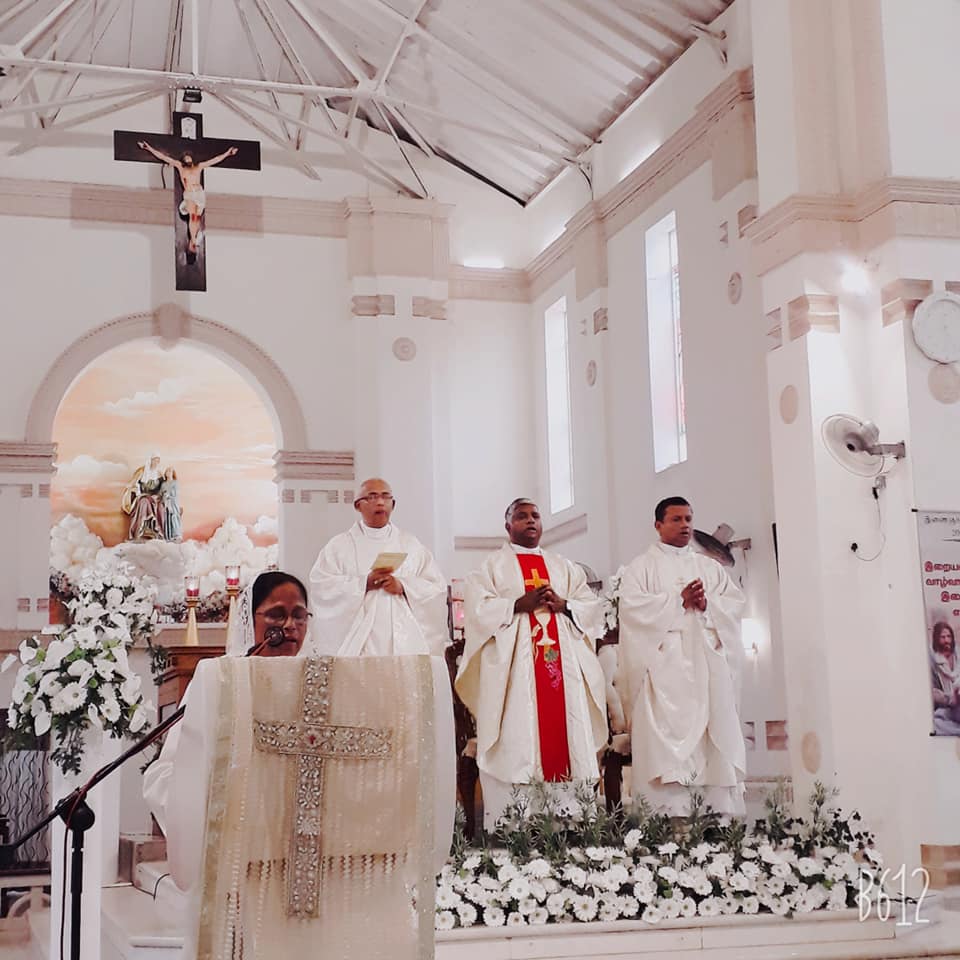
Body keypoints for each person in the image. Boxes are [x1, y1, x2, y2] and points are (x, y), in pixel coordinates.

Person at [143, 570, 455, 959]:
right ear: (251, 619)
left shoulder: (338, 684)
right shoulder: (222, 685)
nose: (289, 626)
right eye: (276, 614)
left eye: (299, 615)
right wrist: (219, 803)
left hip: (328, 876)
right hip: (247, 879)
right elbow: (164, 775)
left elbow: (374, 751)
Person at [455, 498, 607, 830]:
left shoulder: (564, 566)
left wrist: (565, 605)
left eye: (535, 516)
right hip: (516, 675)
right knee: (519, 738)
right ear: (507, 525)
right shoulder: (491, 567)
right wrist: (515, 605)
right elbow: (479, 611)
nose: (530, 521)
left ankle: (570, 823)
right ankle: (517, 827)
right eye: (521, 516)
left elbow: (590, 606)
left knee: (567, 731)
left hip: (562, 672)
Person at [618, 496, 747, 816]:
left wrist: (709, 607)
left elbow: (733, 605)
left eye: (688, 518)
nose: (685, 525)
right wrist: (677, 600)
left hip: (705, 668)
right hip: (664, 671)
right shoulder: (641, 567)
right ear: (658, 525)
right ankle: (668, 815)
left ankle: (715, 813)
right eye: (676, 519)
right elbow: (633, 612)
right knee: (666, 754)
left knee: (713, 741)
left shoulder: (708, 567)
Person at [308, 477, 449, 656]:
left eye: (385, 497)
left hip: (405, 642)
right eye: (372, 497)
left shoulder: (411, 545)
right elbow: (322, 586)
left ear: (393, 504)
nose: (380, 502)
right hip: (360, 644)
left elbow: (436, 588)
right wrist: (363, 583)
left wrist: (403, 586)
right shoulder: (339, 547)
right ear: (358, 505)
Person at [136, 140, 238, 257]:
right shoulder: (180, 167)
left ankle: (193, 241)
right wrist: (148, 148)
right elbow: (164, 158)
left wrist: (228, 153)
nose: (188, 159)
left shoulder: (199, 167)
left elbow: (214, 160)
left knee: (196, 219)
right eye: (186, 158)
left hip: (199, 193)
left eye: (190, 158)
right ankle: (194, 240)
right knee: (193, 216)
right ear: (183, 160)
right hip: (189, 193)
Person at [121, 454, 165, 541]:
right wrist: (131, 488)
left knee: (160, 505)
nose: (155, 462)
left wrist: (159, 496)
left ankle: (156, 530)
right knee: (144, 502)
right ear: (150, 460)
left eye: (157, 460)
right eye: (154, 460)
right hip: (143, 496)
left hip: (155, 498)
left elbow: (163, 488)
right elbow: (131, 484)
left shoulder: (159, 474)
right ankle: (141, 529)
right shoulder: (142, 471)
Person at [931, 621, 960, 735]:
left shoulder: (958, 654)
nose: (946, 640)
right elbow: (932, 692)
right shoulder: (932, 661)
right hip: (947, 706)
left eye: (949, 636)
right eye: (942, 637)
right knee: (937, 723)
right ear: (936, 639)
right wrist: (951, 699)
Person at [160, 467, 183, 542]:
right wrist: (164, 496)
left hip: (173, 503)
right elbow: (161, 493)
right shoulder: (163, 484)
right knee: (167, 518)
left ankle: (176, 534)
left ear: (173, 473)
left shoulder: (175, 482)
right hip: (166, 503)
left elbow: (175, 494)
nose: (168, 472)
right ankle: (169, 536)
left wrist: (168, 495)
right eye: (167, 471)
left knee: (174, 517)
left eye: (170, 471)